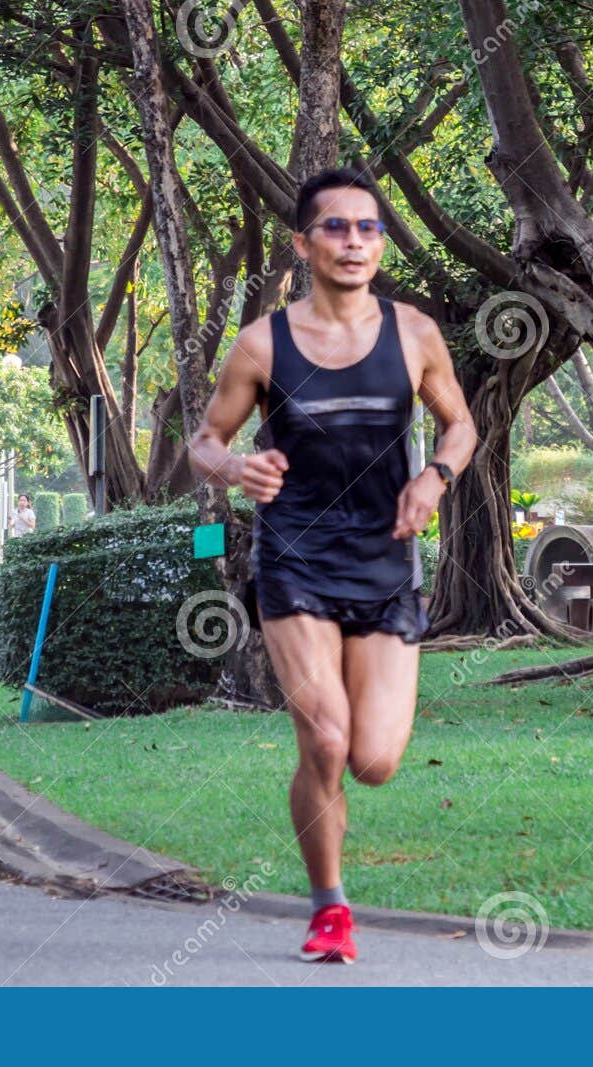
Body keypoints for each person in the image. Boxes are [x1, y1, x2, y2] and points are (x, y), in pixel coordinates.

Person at [189, 167, 476, 964]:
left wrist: (435, 477)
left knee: (375, 758)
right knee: (324, 740)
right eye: (337, 228)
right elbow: (205, 440)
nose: (355, 242)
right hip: (297, 559)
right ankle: (330, 908)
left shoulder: (414, 332)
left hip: (384, 563)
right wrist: (234, 470)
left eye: (369, 228)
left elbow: (461, 426)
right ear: (303, 244)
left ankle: (335, 848)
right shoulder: (264, 342)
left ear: (381, 243)